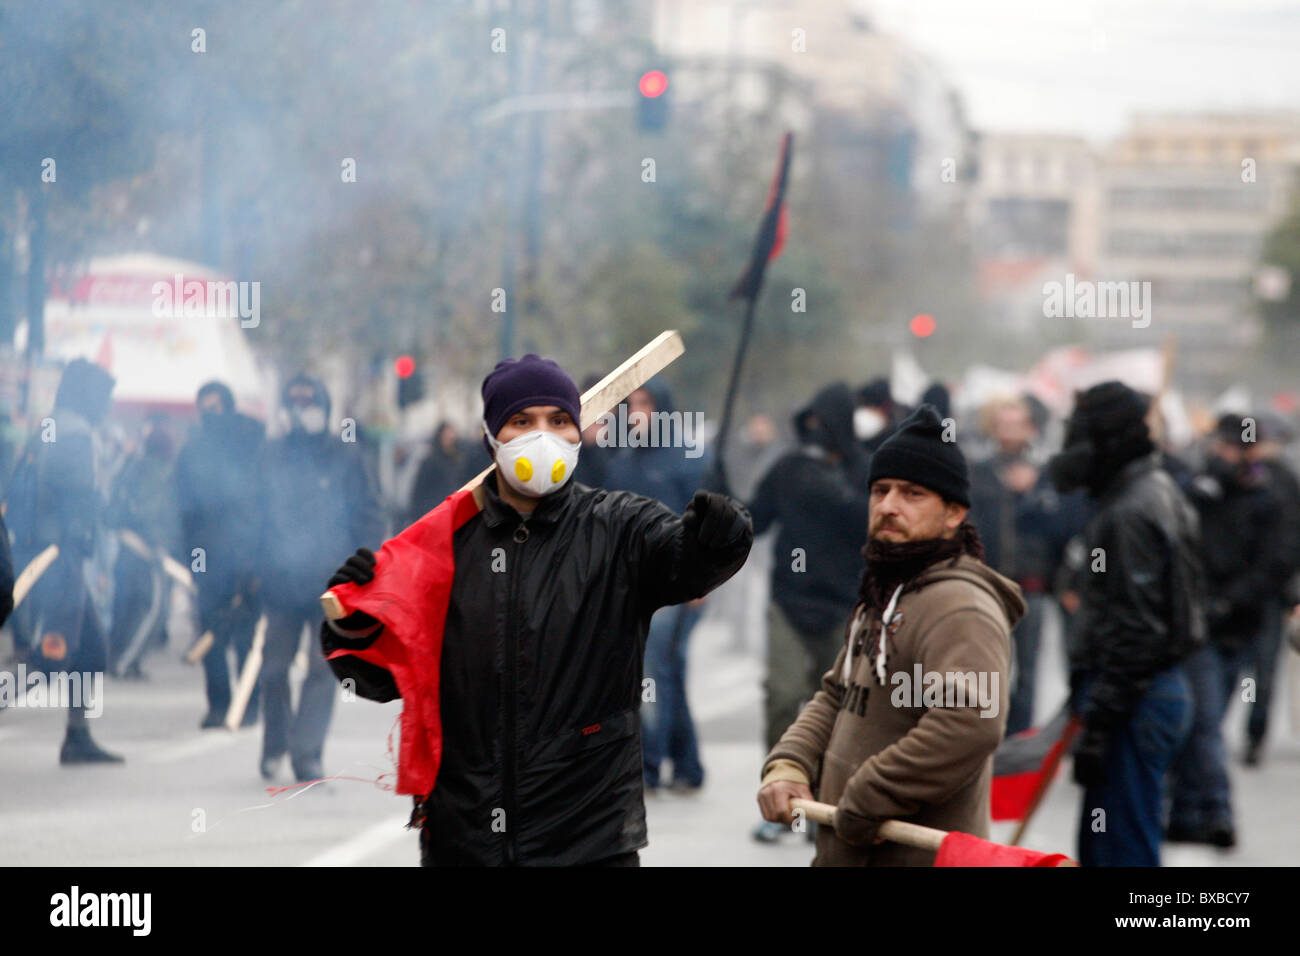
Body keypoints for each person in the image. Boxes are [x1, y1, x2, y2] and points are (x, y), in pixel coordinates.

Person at [322, 354, 753, 866]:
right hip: (464, 840)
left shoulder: (617, 527)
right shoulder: (442, 549)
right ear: (491, 437)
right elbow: (379, 679)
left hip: (588, 841)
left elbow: (684, 561)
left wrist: (717, 534)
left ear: (577, 433)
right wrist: (353, 625)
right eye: (522, 421)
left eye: (559, 420)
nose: (541, 435)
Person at [757, 404, 1020, 865]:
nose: (888, 506)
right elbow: (838, 694)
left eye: (912, 493)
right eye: (880, 490)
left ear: (955, 512)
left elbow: (968, 723)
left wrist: (869, 795)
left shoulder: (960, 606)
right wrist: (790, 763)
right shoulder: (885, 589)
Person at [1047, 382, 1201, 867]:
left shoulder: (1131, 509)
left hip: (1136, 697)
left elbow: (1139, 629)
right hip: (1143, 692)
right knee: (1106, 847)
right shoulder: (1150, 490)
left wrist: (1103, 719)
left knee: (1122, 855)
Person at [747, 382, 870, 843]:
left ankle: (823, 805)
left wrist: (835, 494)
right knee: (781, 697)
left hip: (842, 606)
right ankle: (777, 795)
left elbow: (869, 520)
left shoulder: (863, 470)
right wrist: (718, 497)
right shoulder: (790, 468)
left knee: (839, 713)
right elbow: (753, 520)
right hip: (788, 602)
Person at [1167, 413, 1287, 846]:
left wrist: (1230, 601)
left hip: (1237, 624)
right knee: (1201, 720)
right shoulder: (1198, 492)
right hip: (1200, 628)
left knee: (1206, 721)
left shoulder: (1265, 500)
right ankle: (1203, 808)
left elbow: (1272, 564)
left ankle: (1203, 806)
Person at [257, 374, 384, 783]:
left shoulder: (344, 456)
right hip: (279, 581)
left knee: (321, 668)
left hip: (330, 582)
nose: (303, 412)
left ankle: (306, 754)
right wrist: (249, 572)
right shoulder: (270, 455)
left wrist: (362, 567)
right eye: (296, 404)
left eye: (310, 404)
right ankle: (275, 742)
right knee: (273, 669)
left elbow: (368, 511)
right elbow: (251, 516)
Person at [6, 359, 123, 763]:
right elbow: (70, 495)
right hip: (60, 559)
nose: (107, 406)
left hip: (54, 555)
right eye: (104, 396)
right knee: (51, 657)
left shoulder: (54, 425)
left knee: (90, 649)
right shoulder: (73, 435)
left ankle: (78, 736)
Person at [605, 379, 708, 793]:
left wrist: (702, 576)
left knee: (649, 670)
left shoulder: (686, 457)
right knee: (668, 672)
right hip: (633, 582)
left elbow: (705, 518)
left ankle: (646, 766)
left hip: (675, 584)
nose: (636, 412)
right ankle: (688, 766)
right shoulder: (623, 460)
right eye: (631, 405)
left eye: (644, 404)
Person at [968, 396, 1064, 735]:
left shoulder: (1046, 471)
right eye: (1003, 423)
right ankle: (986, 737)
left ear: (1030, 427)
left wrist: (1031, 495)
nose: (1009, 431)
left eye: (1016, 423)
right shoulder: (978, 471)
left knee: (1027, 672)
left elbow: (1061, 525)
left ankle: (1019, 739)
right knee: (987, 669)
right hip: (989, 585)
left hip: (1031, 585)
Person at [175, 381, 266, 729]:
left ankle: (247, 703)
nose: (210, 415)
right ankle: (218, 705)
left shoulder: (254, 443)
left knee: (246, 635)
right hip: (209, 558)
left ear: (229, 405)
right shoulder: (193, 450)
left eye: (215, 407)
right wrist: (192, 562)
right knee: (211, 634)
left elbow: (266, 503)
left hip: (249, 556)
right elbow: (184, 513)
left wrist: (260, 559)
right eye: (204, 408)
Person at [1240, 412, 1300, 765]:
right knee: (1235, 672)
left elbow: (1291, 542)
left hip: (1269, 593)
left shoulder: (1285, 482)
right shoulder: (1238, 477)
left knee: (1262, 671)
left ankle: (1255, 732)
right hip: (1237, 593)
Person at [106, 414, 181, 678]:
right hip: (146, 549)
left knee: (126, 607)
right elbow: (153, 510)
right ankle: (126, 662)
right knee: (153, 609)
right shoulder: (158, 471)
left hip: (126, 544)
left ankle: (119, 658)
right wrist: (158, 542)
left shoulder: (134, 465)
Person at [406, 422, 482, 524]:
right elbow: (419, 490)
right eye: (446, 436)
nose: (449, 440)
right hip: (434, 512)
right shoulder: (430, 461)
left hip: (452, 511)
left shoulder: (459, 460)